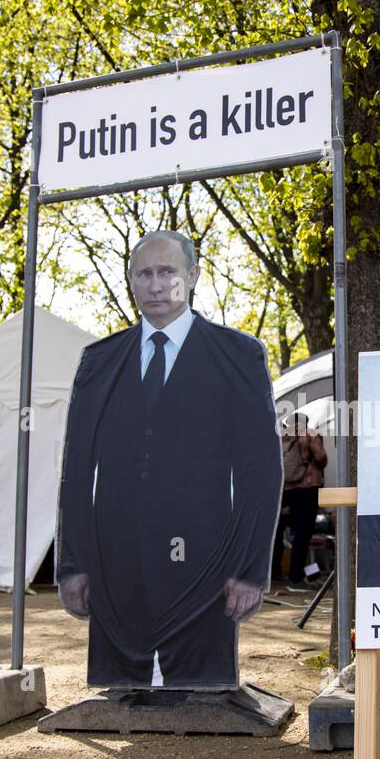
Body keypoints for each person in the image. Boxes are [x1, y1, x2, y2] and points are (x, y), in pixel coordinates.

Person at [56, 230, 282, 690]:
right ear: (131, 281)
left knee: (199, 696)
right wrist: (72, 563)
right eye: (144, 274)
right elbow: (76, 471)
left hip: (205, 557)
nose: (156, 285)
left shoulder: (238, 356)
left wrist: (249, 570)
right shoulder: (100, 361)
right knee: (121, 698)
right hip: (115, 558)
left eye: (167, 272)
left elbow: (261, 472)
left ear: (192, 276)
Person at [273, 413, 328, 586]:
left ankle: (275, 572)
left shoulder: (282, 437)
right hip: (307, 489)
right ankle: (296, 577)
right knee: (302, 535)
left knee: (279, 533)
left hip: (285, 491)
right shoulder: (310, 434)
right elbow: (321, 457)